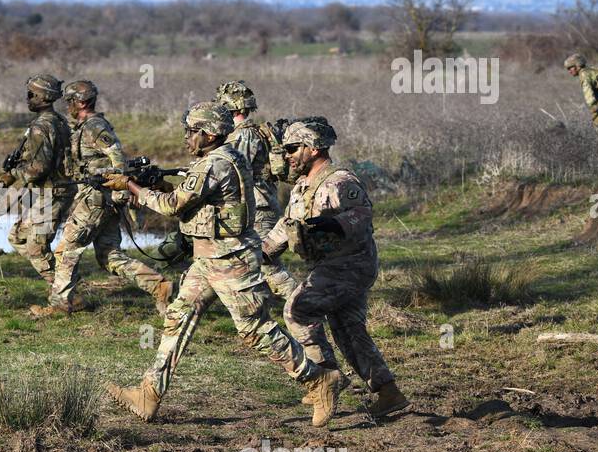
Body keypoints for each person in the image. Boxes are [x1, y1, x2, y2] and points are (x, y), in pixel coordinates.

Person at [99, 102, 340, 423]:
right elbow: (194, 202)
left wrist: (132, 187)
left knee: (253, 328)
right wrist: (155, 184)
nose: (186, 137)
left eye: (192, 131)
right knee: (178, 316)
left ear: (210, 134)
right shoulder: (226, 158)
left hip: (229, 259)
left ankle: (319, 379)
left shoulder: (214, 164)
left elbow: (172, 206)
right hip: (208, 257)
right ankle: (148, 393)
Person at [261, 118, 408, 426]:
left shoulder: (339, 181)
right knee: (348, 331)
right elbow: (284, 228)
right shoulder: (303, 186)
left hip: (349, 266)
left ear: (313, 149)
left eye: (291, 148)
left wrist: (335, 223)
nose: (286, 155)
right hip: (332, 267)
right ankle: (388, 391)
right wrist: (258, 253)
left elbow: (362, 215)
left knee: (299, 310)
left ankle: (324, 378)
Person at [31, 80, 173, 317]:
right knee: (109, 255)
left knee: (66, 250)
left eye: (70, 102)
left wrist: (120, 192)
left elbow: (117, 155)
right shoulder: (85, 125)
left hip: (97, 199)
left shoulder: (94, 126)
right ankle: (159, 286)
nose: (68, 107)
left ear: (81, 102)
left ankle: (62, 304)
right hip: (101, 198)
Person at [217, 80, 296, 300]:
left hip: (258, 208)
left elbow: (235, 170)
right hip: (256, 206)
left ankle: (303, 304)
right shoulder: (250, 132)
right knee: (245, 260)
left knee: (267, 263)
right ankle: (254, 303)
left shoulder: (244, 135)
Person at [0, 73, 71, 285]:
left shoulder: (41, 126)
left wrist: (16, 171)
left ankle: (65, 293)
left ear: (42, 97)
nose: (27, 98)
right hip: (52, 192)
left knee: (36, 249)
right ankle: (63, 284)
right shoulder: (58, 120)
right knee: (18, 237)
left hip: (53, 193)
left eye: (31, 94)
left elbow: (37, 170)